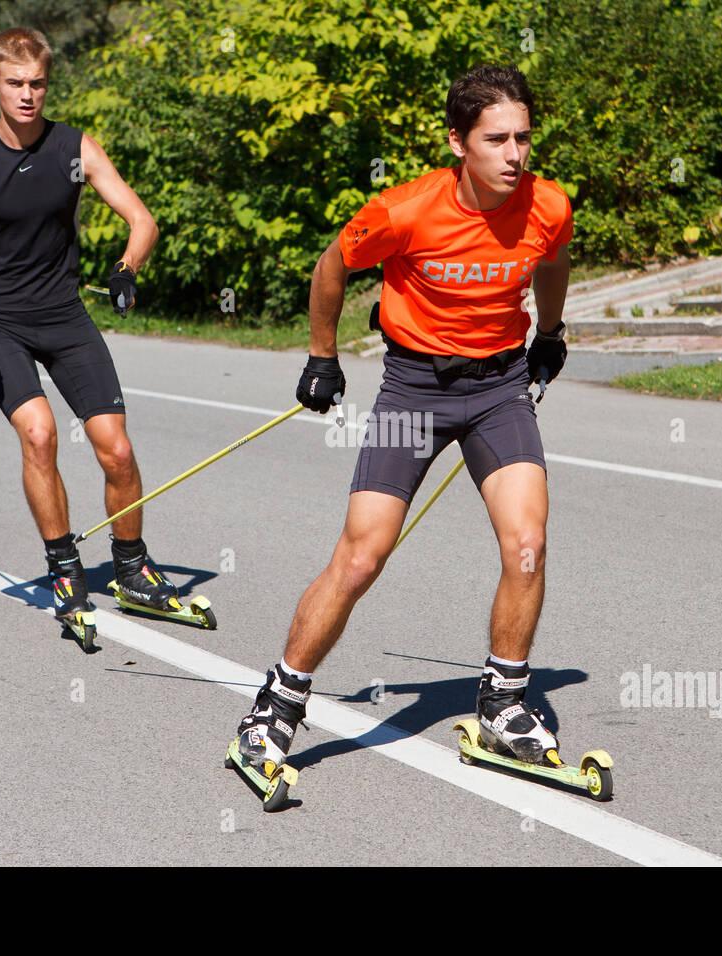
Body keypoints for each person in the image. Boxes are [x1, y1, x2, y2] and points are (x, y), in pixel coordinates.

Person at [236, 64, 572, 770]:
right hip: (414, 390)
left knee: (527, 543)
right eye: (497, 139)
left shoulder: (548, 205)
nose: (514, 155)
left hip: (500, 387)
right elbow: (331, 265)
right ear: (458, 142)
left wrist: (550, 332)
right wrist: (322, 357)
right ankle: (277, 705)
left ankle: (504, 701)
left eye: (524, 138)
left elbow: (553, 261)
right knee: (361, 557)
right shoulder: (403, 210)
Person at [0, 27, 179, 640]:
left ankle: (132, 568)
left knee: (114, 446)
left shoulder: (75, 149)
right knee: (39, 434)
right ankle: (64, 569)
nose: (27, 95)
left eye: (37, 84)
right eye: (15, 84)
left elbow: (141, 219)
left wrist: (126, 268)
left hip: (64, 314)